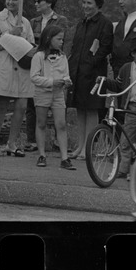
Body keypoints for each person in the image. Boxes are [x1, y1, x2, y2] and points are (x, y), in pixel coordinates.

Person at [0, 0, 35, 157]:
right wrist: (10, 35)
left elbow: (31, 45)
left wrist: (24, 42)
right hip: (5, 68)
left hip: (21, 69)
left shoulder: (25, 22)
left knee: (21, 106)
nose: (11, 2)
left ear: (20, 1)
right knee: (1, 105)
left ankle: (12, 143)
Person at [68, 0, 114, 159]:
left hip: (94, 74)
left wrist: (90, 64)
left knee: (92, 109)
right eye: (84, 2)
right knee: (80, 108)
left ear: (97, 4)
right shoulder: (81, 23)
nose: (85, 6)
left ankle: (89, 149)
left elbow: (104, 48)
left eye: (89, 3)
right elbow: (75, 47)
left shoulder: (105, 23)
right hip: (78, 72)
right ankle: (80, 147)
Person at [24, 0, 70, 152]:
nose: (36, 4)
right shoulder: (33, 21)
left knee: (58, 105)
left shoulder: (60, 20)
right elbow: (28, 41)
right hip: (38, 62)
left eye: (39, 1)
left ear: (49, 3)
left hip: (55, 63)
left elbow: (63, 42)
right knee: (33, 103)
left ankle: (59, 141)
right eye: (35, 1)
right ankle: (33, 140)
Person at [29, 25, 76, 170]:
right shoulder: (39, 56)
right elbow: (34, 77)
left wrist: (66, 81)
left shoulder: (62, 57)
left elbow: (65, 73)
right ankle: (42, 154)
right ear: (49, 39)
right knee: (41, 123)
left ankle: (64, 158)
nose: (62, 42)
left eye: (63, 39)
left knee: (61, 124)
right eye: (59, 39)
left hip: (58, 93)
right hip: (42, 93)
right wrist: (51, 82)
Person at [110, 34, 136, 179]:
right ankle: (123, 169)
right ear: (133, 53)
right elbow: (118, 85)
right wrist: (104, 81)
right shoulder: (126, 68)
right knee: (126, 139)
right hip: (130, 109)